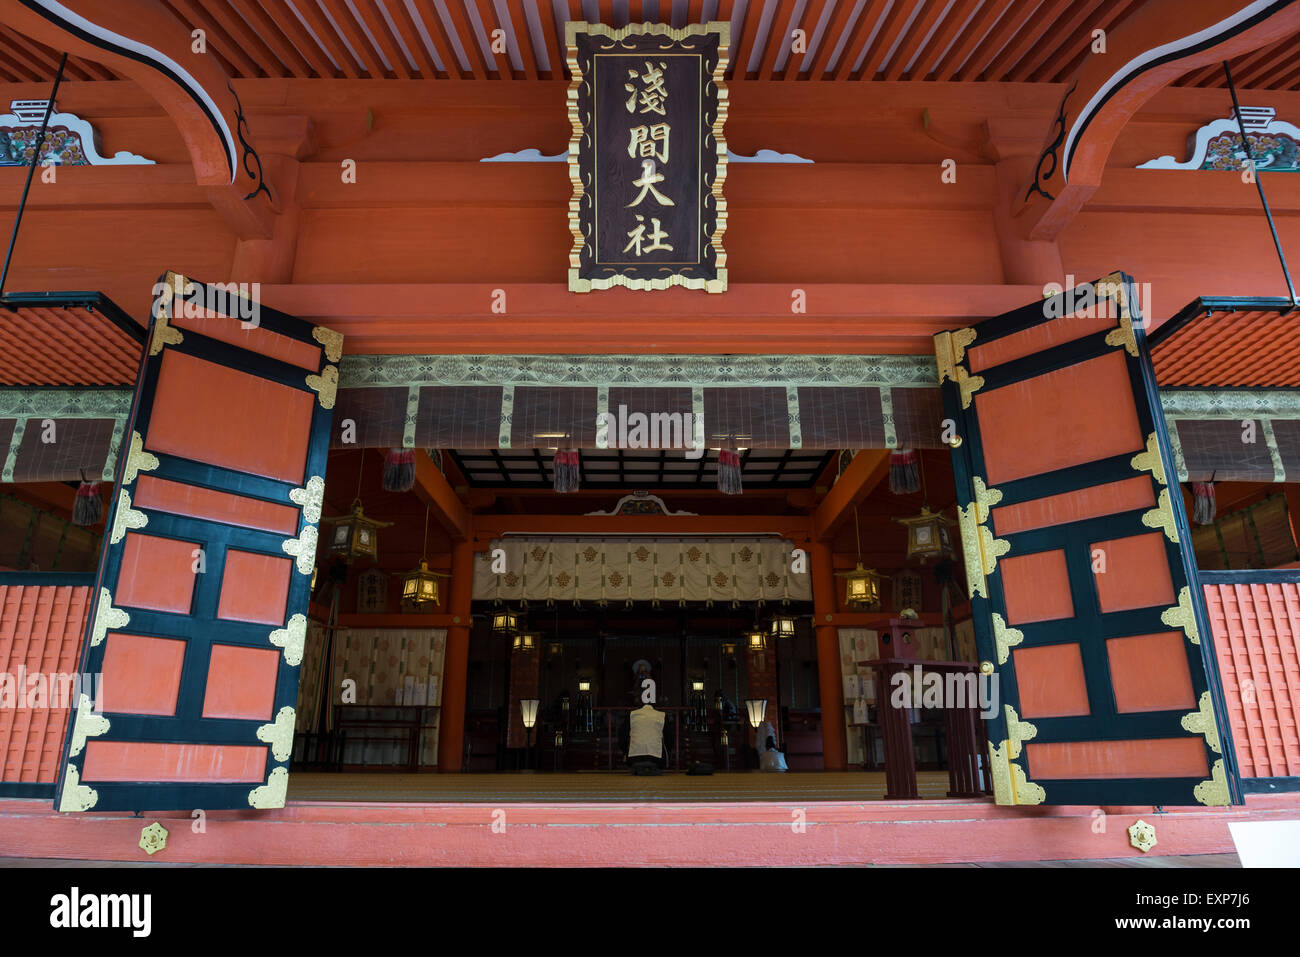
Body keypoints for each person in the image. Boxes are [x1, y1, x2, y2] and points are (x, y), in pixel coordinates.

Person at [619, 701, 671, 775]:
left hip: (634, 758)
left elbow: (622, 736)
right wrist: (668, 752)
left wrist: (625, 751)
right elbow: (670, 739)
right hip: (656, 759)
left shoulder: (631, 715)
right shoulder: (662, 715)